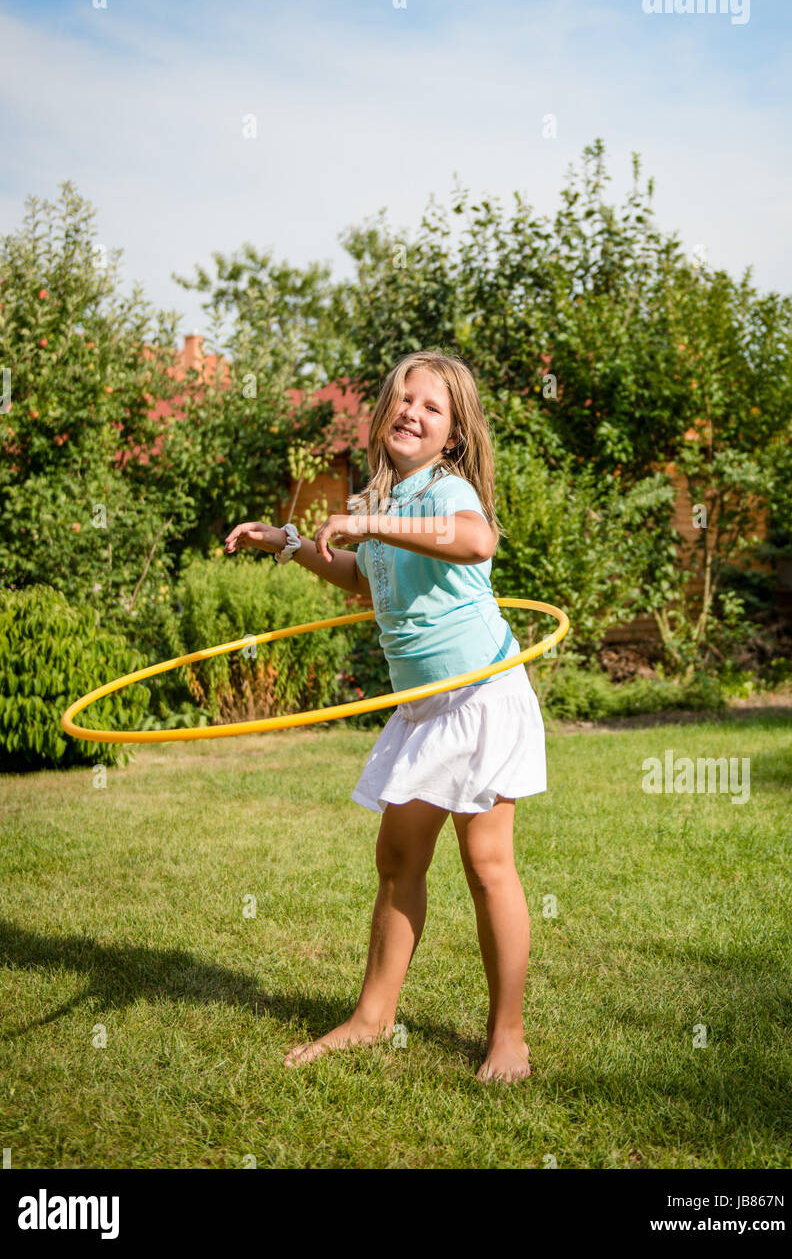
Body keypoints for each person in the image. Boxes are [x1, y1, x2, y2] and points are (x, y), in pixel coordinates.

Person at [224, 350, 548, 1083]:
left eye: (430, 407)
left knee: (487, 865)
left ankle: (508, 1034)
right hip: (422, 709)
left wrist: (371, 522)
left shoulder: (444, 489)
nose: (411, 411)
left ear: (452, 435)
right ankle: (372, 1019)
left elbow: (476, 540)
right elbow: (364, 581)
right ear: (380, 414)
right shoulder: (383, 498)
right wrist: (293, 543)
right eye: (401, 399)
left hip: (480, 698)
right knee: (398, 863)